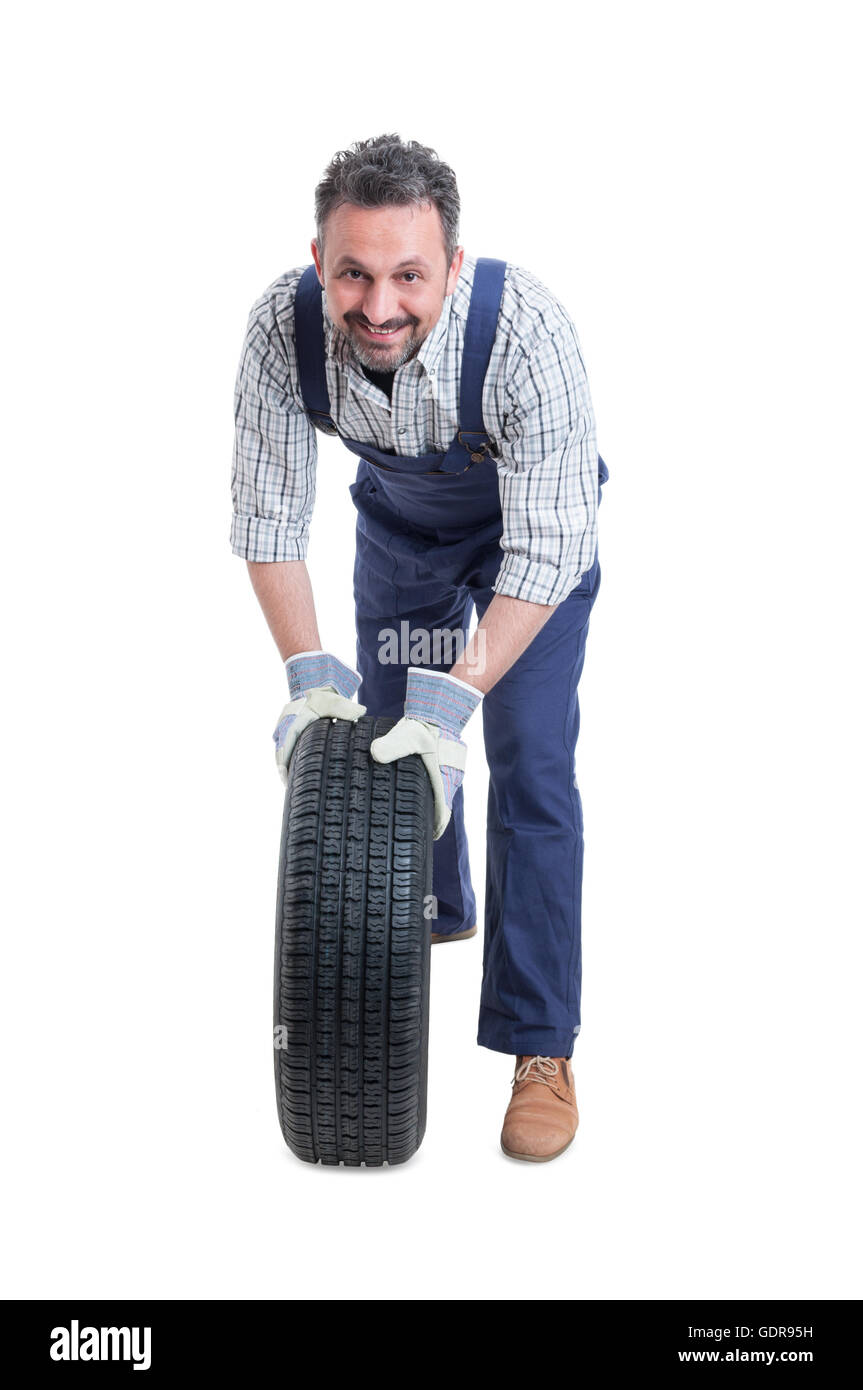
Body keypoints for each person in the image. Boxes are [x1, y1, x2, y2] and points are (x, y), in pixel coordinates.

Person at [231, 134, 609, 1163]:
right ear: (319, 262)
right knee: (387, 737)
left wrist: (462, 693)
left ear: (450, 263)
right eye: (353, 272)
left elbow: (549, 543)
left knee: (526, 761)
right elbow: (268, 518)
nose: (379, 304)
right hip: (401, 531)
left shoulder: (525, 332)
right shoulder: (283, 328)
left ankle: (540, 1045)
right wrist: (310, 676)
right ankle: (426, 903)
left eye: (407, 273)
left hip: (530, 553)